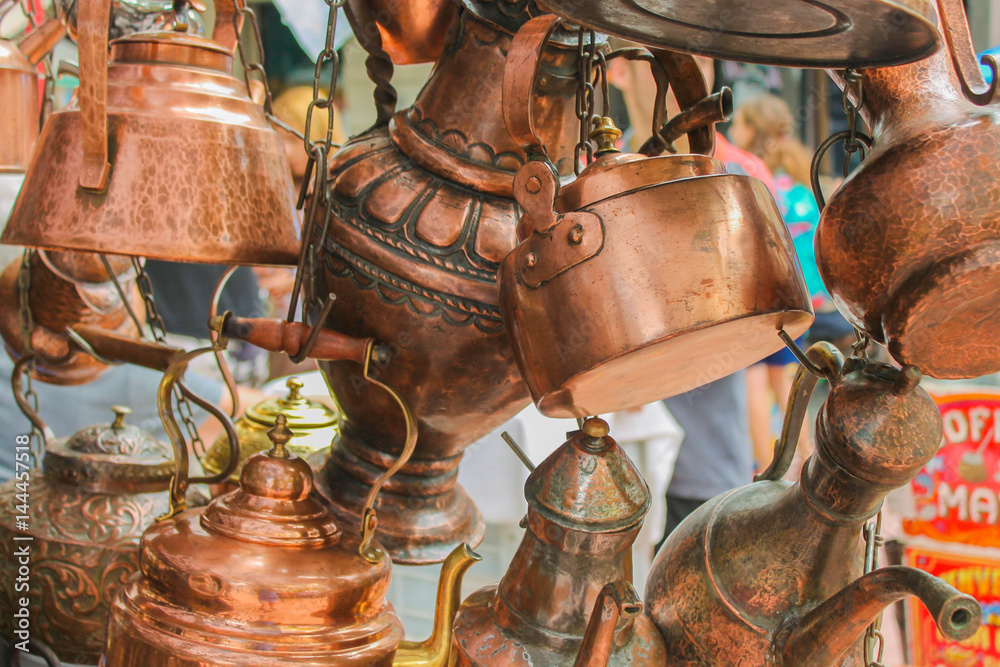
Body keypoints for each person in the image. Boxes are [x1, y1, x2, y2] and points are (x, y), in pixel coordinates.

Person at [728, 94, 853, 473]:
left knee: (751, 379)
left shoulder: (749, 174)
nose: (732, 130)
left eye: (738, 123)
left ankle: (765, 469)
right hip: (799, 296)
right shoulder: (798, 175)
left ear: (751, 130)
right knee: (784, 380)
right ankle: (803, 460)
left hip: (757, 293)